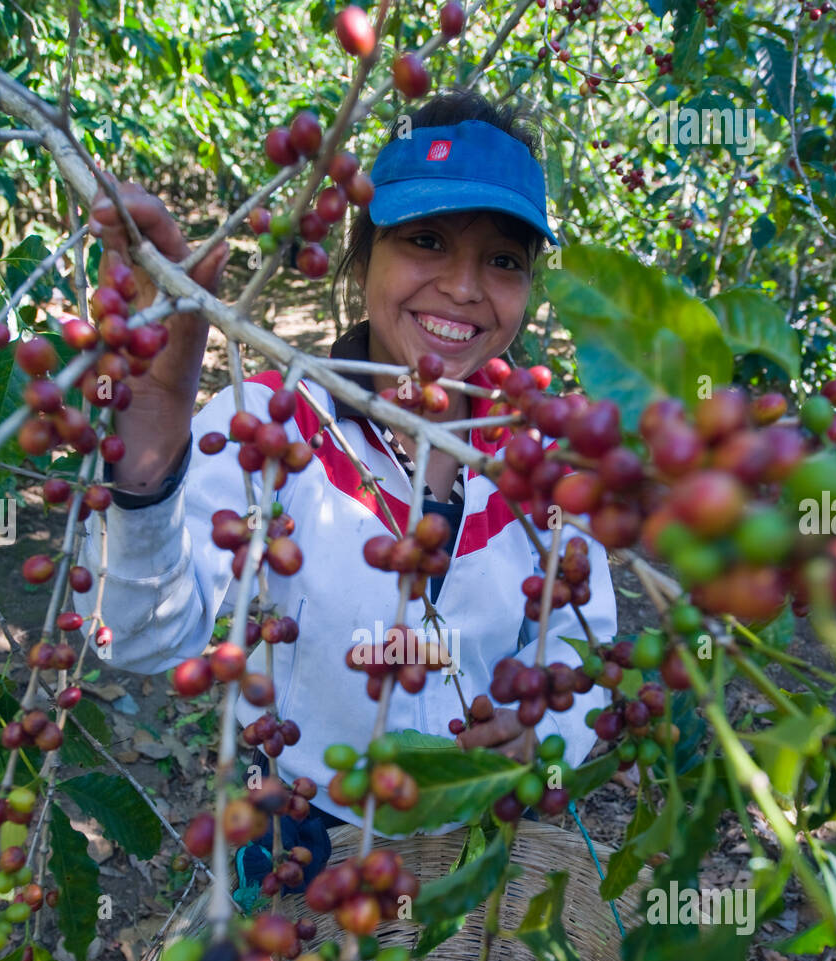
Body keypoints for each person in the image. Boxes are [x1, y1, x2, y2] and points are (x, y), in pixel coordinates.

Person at [82, 89, 617, 897]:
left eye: (504, 260)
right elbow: (134, 639)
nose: (466, 288)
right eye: (427, 241)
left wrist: (546, 734)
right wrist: (148, 474)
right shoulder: (269, 425)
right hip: (303, 832)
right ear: (362, 259)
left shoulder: (541, 465)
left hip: (470, 834)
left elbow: (588, 651)